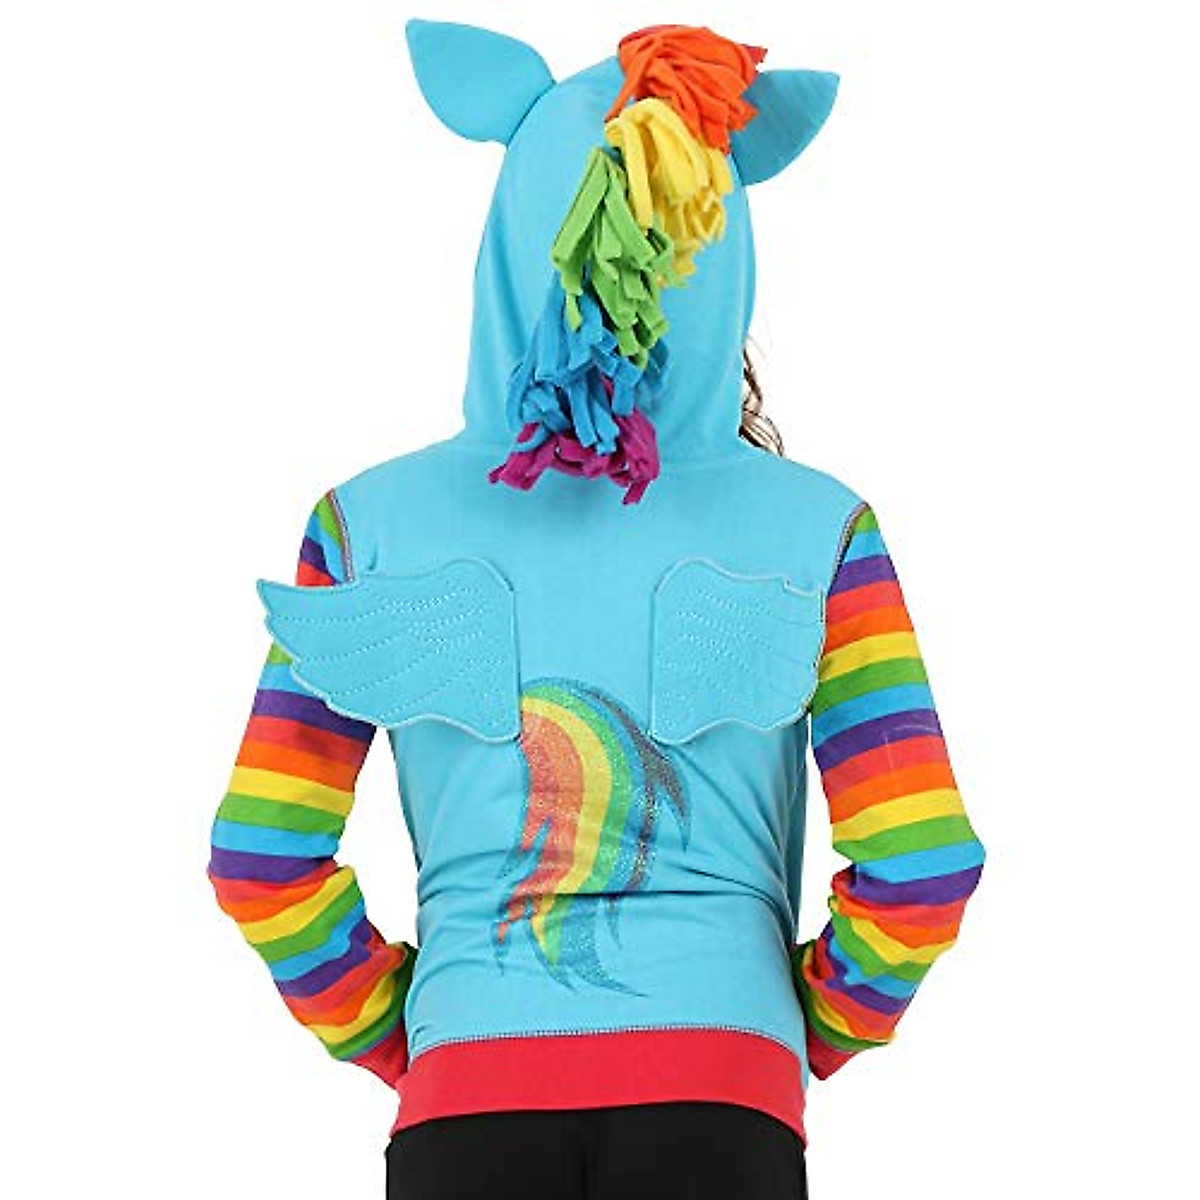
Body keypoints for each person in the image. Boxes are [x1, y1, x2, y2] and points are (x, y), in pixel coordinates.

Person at [206, 19, 986, 1200]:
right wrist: (791, 1032)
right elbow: (920, 861)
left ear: (510, 243)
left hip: (466, 1101)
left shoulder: (368, 526)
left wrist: (412, 1036)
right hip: (726, 1099)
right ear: (717, 234)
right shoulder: (821, 532)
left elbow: (263, 854)